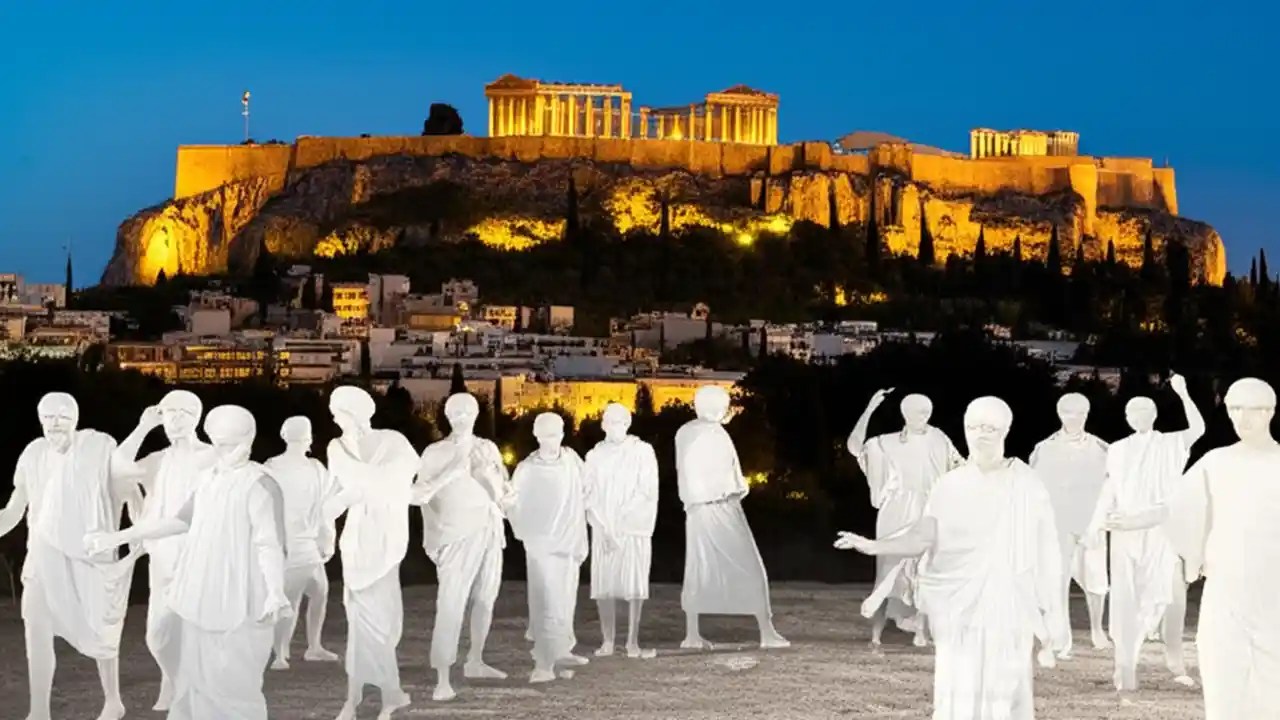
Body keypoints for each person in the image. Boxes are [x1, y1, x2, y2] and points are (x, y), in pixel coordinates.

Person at [837, 396, 1065, 720]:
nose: (980, 434)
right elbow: (923, 535)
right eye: (973, 426)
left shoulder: (1024, 481)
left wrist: (1050, 611)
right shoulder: (949, 485)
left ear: (1005, 429)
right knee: (958, 682)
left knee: (1005, 685)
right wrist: (874, 546)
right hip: (959, 603)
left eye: (989, 427)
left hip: (1007, 600)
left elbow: (1047, 547)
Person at [86, 404, 291, 720]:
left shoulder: (260, 484)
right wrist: (119, 537)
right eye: (219, 443)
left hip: (241, 596)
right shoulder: (209, 479)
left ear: (249, 439)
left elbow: (271, 544)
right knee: (194, 682)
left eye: (232, 444)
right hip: (201, 592)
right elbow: (179, 521)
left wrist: (276, 592)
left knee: (236, 684)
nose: (225, 452)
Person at [0, 392, 134, 720]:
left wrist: (137, 534)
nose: (55, 423)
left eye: (62, 416)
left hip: (88, 554)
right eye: (48, 417)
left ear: (75, 418)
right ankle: (39, 711)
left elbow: (128, 488)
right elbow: (16, 508)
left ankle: (113, 700)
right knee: (36, 627)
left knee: (102, 626)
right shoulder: (33, 453)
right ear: (39, 419)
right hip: (43, 556)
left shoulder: (99, 447)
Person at [1165, 377, 1280, 718]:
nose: (1243, 419)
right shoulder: (1215, 463)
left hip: (1273, 591)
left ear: (1270, 412)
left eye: (1253, 410)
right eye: (1235, 409)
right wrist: (1194, 558)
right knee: (1223, 683)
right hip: (1226, 588)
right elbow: (1181, 510)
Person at [1086, 372, 1202, 692]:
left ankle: (1173, 660)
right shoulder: (1118, 449)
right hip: (1125, 530)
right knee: (1125, 599)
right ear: (1126, 418)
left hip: (1160, 528)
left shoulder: (1169, 443)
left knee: (1164, 593)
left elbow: (1199, 429)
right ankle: (1126, 664)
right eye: (1133, 413)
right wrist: (1095, 526)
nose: (1139, 418)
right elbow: (1110, 486)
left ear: (1154, 415)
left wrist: (1183, 392)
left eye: (1146, 412)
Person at [111, 390, 216, 709]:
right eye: (167, 412)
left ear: (195, 417)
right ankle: (175, 680)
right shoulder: (159, 460)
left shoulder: (212, 457)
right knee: (157, 634)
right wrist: (143, 427)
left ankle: (190, 690)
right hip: (163, 556)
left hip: (201, 554)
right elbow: (117, 469)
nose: (172, 419)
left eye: (180, 412)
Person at [325, 386, 419, 720]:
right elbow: (338, 494)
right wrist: (318, 519)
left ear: (353, 412)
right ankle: (357, 697)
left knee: (380, 623)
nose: (334, 418)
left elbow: (402, 480)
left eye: (338, 411)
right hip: (356, 541)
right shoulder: (337, 447)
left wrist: (362, 486)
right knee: (358, 623)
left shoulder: (392, 442)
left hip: (386, 539)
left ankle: (387, 695)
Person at [846, 388, 963, 648]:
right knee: (889, 568)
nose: (923, 416)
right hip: (896, 511)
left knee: (926, 569)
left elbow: (959, 466)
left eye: (927, 411)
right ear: (905, 413)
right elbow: (855, 447)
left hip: (929, 509)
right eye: (917, 411)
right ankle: (876, 633)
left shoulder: (938, 438)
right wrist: (869, 409)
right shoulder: (887, 443)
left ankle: (921, 631)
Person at [413, 393, 510, 701]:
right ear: (447, 415)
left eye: (468, 410)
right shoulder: (436, 452)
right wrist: (451, 473)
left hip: (490, 530)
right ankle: (442, 676)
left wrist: (491, 482)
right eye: (456, 411)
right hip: (455, 535)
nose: (462, 416)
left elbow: (504, 493)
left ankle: (476, 659)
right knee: (451, 602)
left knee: (485, 599)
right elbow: (417, 494)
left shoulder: (488, 448)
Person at [676, 385, 788, 650]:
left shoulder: (686, 431)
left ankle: (692, 634)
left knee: (698, 567)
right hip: (720, 508)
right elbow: (729, 478)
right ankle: (766, 631)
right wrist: (734, 489)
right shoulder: (714, 434)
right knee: (750, 566)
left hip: (696, 511)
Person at [506, 412, 592, 683]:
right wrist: (528, 531)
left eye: (556, 434)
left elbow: (588, 490)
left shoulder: (571, 461)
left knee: (566, 597)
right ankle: (543, 663)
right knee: (545, 600)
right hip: (541, 545)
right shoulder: (527, 469)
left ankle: (563, 648)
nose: (552, 441)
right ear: (537, 436)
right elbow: (512, 503)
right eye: (546, 435)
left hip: (567, 542)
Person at [1028, 392, 1110, 657]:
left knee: (1096, 578)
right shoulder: (1045, 448)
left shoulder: (1101, 448)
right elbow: (1036, 489)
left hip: (1090, 521)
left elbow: (1112, 485)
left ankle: (1097, 628)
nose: (1074, 419)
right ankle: (1061, 638)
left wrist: (1103, 518)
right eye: (1068, 413)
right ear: (1060, 414)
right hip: (1058, 523)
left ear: (1087, 415)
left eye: (1080, 413)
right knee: (1056, 580)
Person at [584, 403, 660, 659]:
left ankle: (632, 642)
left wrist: (622, 521)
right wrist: (603, 527)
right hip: (604, 531)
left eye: (620, 421)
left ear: (628, 424)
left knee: (633, 584)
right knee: (605, 586)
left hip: (632, 530)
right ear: (603, 424)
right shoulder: (595, 455)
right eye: (610, 421)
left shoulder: (642, 451)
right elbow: (587, 494)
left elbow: (647, 490)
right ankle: (608, 640)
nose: (615, 426)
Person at [264, 415, 340, 669]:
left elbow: (325, 506)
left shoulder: (315, 468)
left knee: (319, 591)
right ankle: (280, 653)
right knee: (291, 598)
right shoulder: (273, 467)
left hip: (307, 541)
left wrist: (326, 538)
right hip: (288, 542)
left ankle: (313, 646)